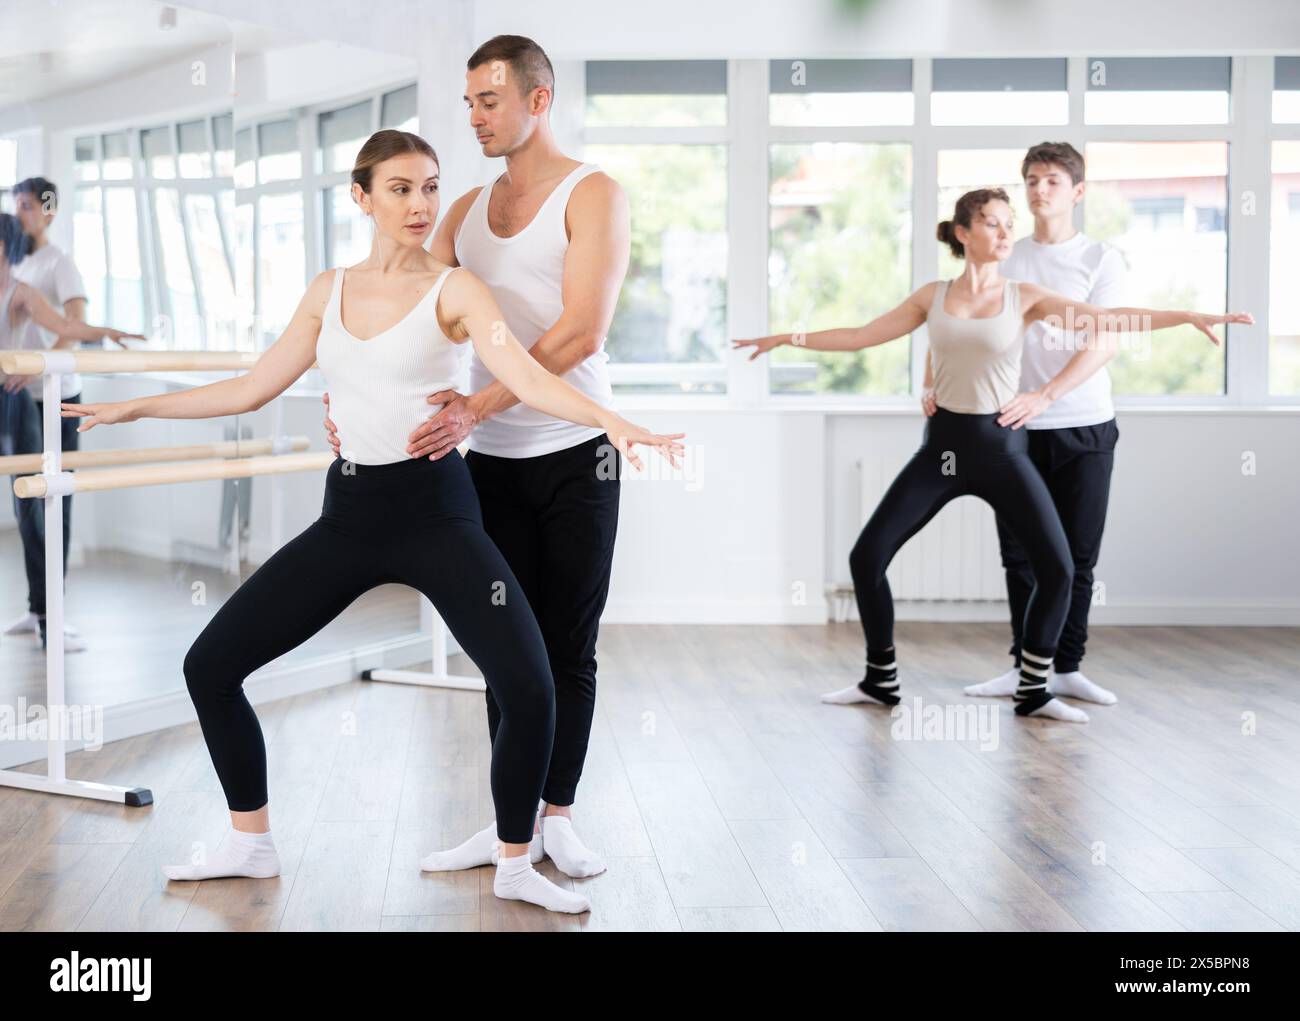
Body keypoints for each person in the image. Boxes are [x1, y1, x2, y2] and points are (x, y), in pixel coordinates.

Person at [61, 130, 683, 914]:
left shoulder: (456, 290)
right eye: (400, 189)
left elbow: (523, 372)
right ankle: (250, 841)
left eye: (429, 187)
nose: (420, 204)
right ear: (361, 198)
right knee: (210, 666)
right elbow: (255, 386)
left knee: (531, 685)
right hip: (349, 516)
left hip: (438, 513)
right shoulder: (328, 290)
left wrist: (612, 421)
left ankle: (516, 857)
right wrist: (137, 405)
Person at [734, 187, 1249, 723]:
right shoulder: (931, 296)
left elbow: (1108, 320)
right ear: (963, 233)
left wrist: (1187, 315)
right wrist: (789, 338)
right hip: (944, 454)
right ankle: (880, 680)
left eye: (1008, 224)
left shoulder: (1025, 296)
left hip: (1002, 451)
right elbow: (863, 336)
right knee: (867, 558)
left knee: (1058, 570)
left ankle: (1033, 689)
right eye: (992, 224)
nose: (1006, 234)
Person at [324, 35, 628, 878]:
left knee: (568, 643)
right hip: (484, 463)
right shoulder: (460, 209)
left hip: (574, 452)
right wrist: (348, 393)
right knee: (505, 650)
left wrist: (480, 403)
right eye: (468, 102)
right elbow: (406, 310)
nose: (475, 117)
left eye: (489, 100)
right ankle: (508, 826)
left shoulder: (592, 193)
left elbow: (581, 330)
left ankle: (557, 814)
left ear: (538, 100)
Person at [962, 143, 1128, 705]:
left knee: (1078, 555)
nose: (1039, 190)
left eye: (1053, 180)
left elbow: (1105, 338)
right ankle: (1024, 665)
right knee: (1021, 554)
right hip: (1012, 428)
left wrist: (1047, 395)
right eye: (1031, 179)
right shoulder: (1006, 255)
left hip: (1084, 425)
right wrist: (939, 382)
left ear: (1078, 191)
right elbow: (964, 322)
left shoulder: (1101, 259)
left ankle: (1067, 667)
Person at [0, 209, 139, 650]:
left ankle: (48, 615)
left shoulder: (20, 293)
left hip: (15, 404)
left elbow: (66, 327)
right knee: (27, 512)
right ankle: (38, 607)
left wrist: (105, 331)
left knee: (41, 502)